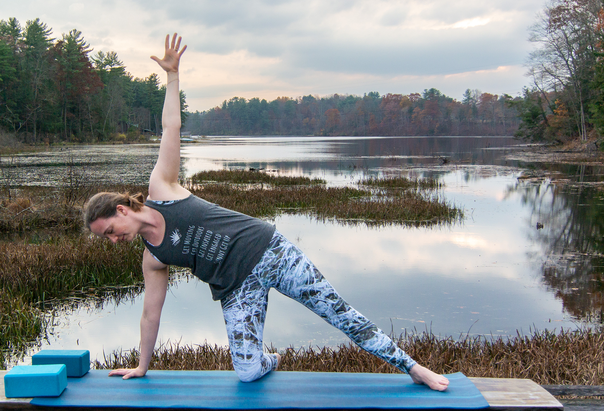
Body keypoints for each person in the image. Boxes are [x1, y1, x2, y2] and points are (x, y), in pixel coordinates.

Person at [83, 33, 449, 391]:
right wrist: (142, 367)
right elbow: (150, 314)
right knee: (247, 372)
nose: (113, 240)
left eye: (109, 231)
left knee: (337, 312)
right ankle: (269, 358)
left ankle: (415, 368)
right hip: (237, 288)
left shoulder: (162, 189)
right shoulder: (153, 258)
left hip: (271, 252)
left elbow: (170, 127)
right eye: (107, 238)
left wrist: (172, 76)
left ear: (121, 210)